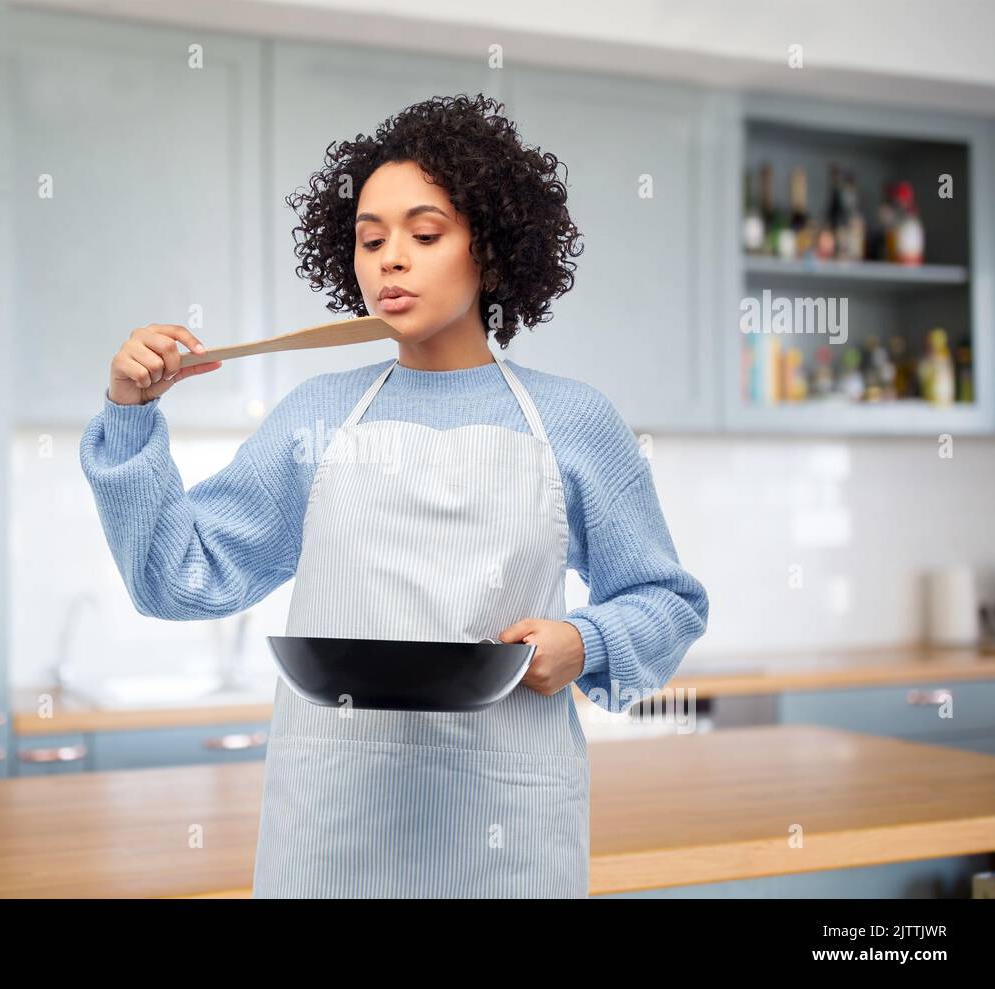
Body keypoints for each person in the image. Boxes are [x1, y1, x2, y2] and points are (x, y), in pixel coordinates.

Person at [80, 93, 709, 898]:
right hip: (332, 829)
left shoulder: (574, 420)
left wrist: (584, 642)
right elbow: (178, 577)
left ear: (492, 247)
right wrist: (130, 414)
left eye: (425, 233)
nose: (390, 259)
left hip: (505, 832)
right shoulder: (315, 414)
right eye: (370, 239)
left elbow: (666, 600)